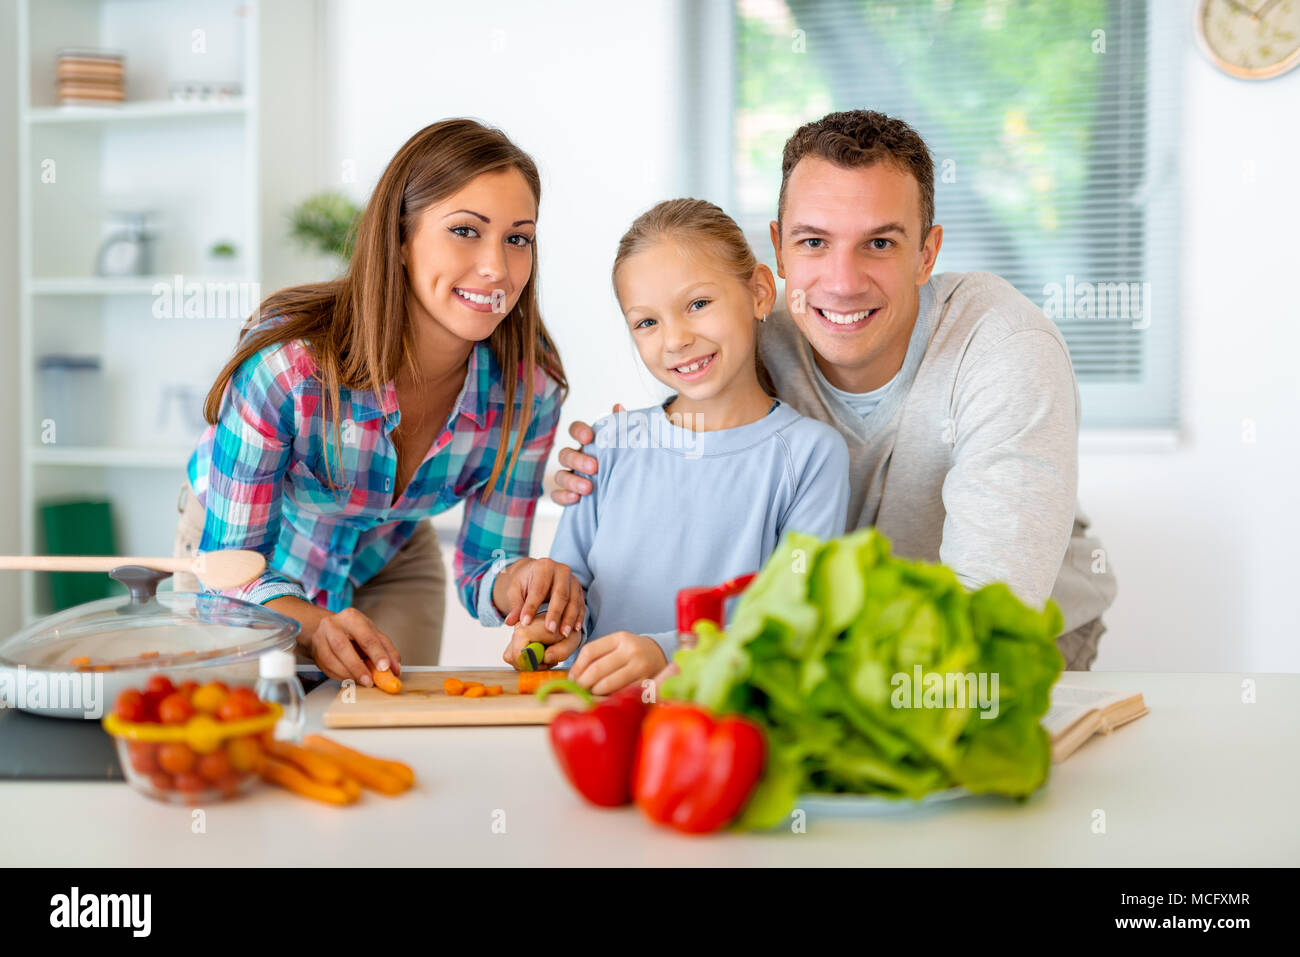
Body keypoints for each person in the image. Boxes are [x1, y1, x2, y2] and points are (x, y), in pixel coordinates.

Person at [552, 110, 1117, 671]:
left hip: (1005, 643)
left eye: (879, 244)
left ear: (926, 254)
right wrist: (605, 461)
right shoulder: (747, 331)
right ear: (777, 251)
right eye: (815, 241)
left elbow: (993, 613)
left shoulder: (1003, 347)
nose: (843, 285)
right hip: (818, 648)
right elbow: (681, 449)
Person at [175, 118, 585, 685]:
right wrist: (314, 627)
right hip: (247, 557)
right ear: (398, 238)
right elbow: (231, 568)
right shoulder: (290, 368)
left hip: (389, 552)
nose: (497, 267)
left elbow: (485, 565)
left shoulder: (527, 389)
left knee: (393, 728)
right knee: (246, 737)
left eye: (518, 238)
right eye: (466, 230)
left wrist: (524, 583)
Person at [505, 199, 850, 694]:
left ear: (758, 292)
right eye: (647, 322)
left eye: (697, 304)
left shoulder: (812, 455)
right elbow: (568, 589)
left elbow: (797, 620)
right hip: (597, 717)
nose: (676, 340)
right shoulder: (609, 443)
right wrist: (545, 625)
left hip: (725, 725)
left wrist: (667, 653)